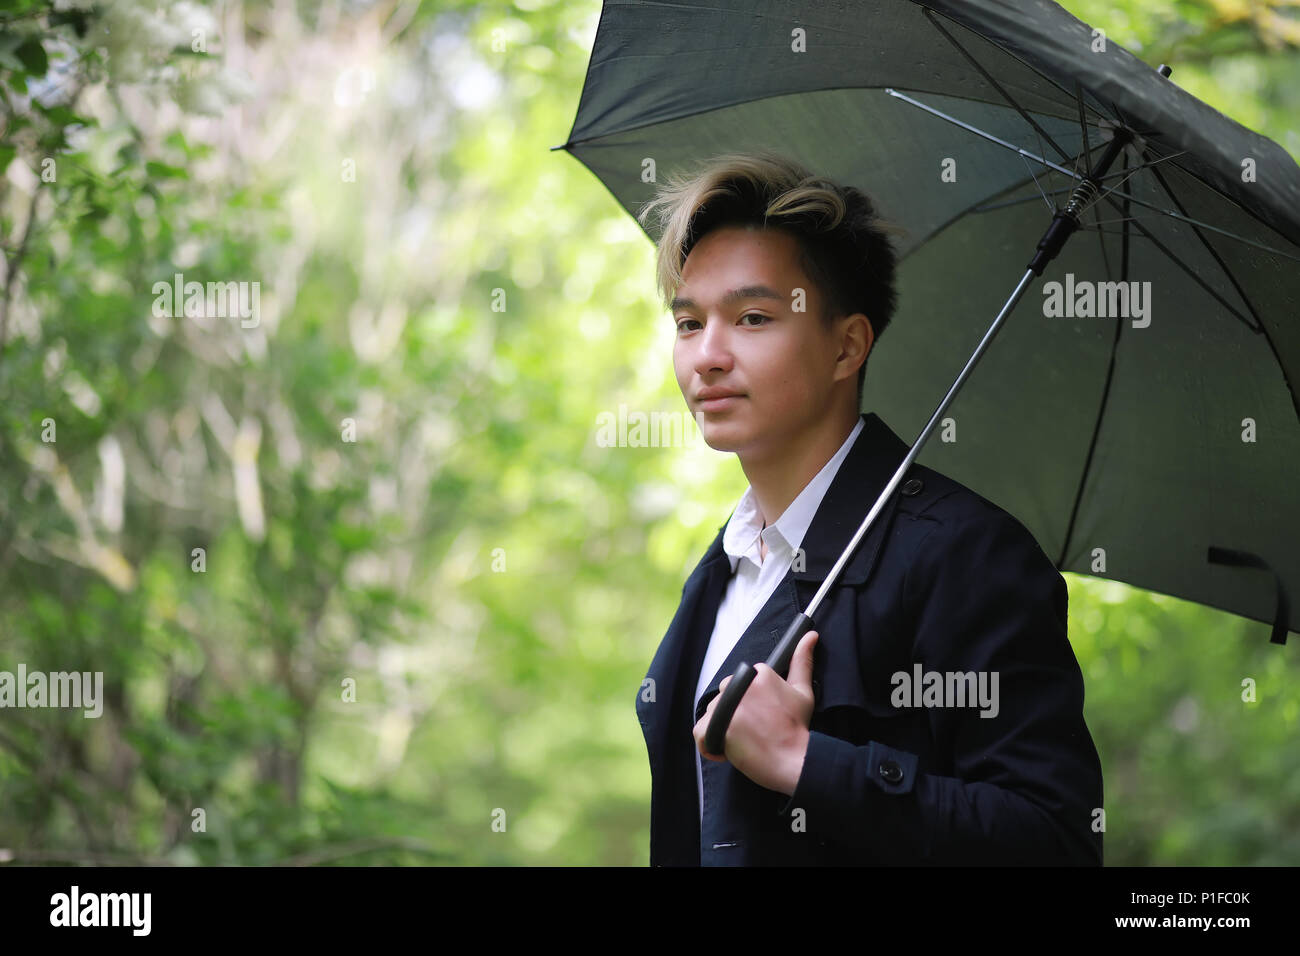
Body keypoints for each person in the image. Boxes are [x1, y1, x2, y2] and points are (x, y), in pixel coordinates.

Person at [633, 150, 1104, 866]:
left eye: (753, 317)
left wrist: (805, 762)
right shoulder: (721, 569)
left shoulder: (962, 555)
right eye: (690, 323)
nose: (708, 356)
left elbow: (1054, 840)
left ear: (847, 346)